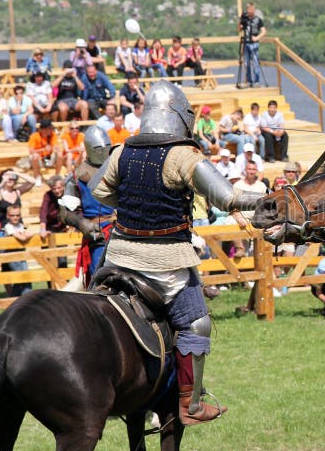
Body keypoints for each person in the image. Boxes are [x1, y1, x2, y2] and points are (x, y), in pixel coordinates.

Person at [92, 80, 263, 426]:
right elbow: (228, 198)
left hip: (119, 256)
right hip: (164, 263)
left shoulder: (121, 151)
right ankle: (191, 404)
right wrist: (270, 200)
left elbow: (99, 191)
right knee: (196, 323)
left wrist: (130, 206)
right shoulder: (184, 155)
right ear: (179, 117)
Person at [59, 126, 114, 285]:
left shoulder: (120, 168)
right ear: (90, 149)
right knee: (100, 276)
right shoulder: (75, 177)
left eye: (107, 147)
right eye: (99, 148)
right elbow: (65, 213)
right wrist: (81, 223)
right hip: (98, 235)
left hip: (125, 230)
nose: (103, 151)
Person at [0, 203, 33, 296]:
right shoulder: (8, 226)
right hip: (13, 256)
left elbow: (26, 233)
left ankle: (18, 297)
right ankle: (27, 296)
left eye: (17, 215)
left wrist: (26, 234)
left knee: (23, 276)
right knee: (22, 275)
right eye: (12, 215)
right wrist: (25, 235)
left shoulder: (20, 226)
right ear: (7, 216)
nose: (15, 217)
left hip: (21, 254)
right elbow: (22, 238)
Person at [39, 175, 69, 274]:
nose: (56, 191)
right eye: (54, 188)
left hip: (62, 229)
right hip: (50, 229)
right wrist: (42, 229)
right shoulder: (47, 195)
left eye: (59, 188)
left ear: (63, 186)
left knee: (62, 260)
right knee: (49, 260)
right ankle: (50, 287)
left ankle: (64, 286)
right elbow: (43, 212)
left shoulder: (68, 195)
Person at [238, 2, 266, 87]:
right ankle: (249, 82)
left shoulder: (258, 19)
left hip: (254, 44)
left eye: (252, 9)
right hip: (246, 43)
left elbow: (264, 31)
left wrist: (257, 38)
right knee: (246, 63)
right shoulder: (245, 20)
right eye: (249, 9)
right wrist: (240, 22)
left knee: (255, 63)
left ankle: (256, 82)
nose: (251, 11)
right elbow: (239, 30)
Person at [28, 119, 62, 185]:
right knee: (34, 156)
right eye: (50, 128)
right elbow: (31, 151)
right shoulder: (34, 136)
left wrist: (54, 148)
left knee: (60, 154)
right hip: (39, 159)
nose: (51, 130)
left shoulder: (53, 135)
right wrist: (43, 150)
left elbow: (55, 146)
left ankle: (57, 176)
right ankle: (37, 177)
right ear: (43, 129)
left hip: (49, 158)